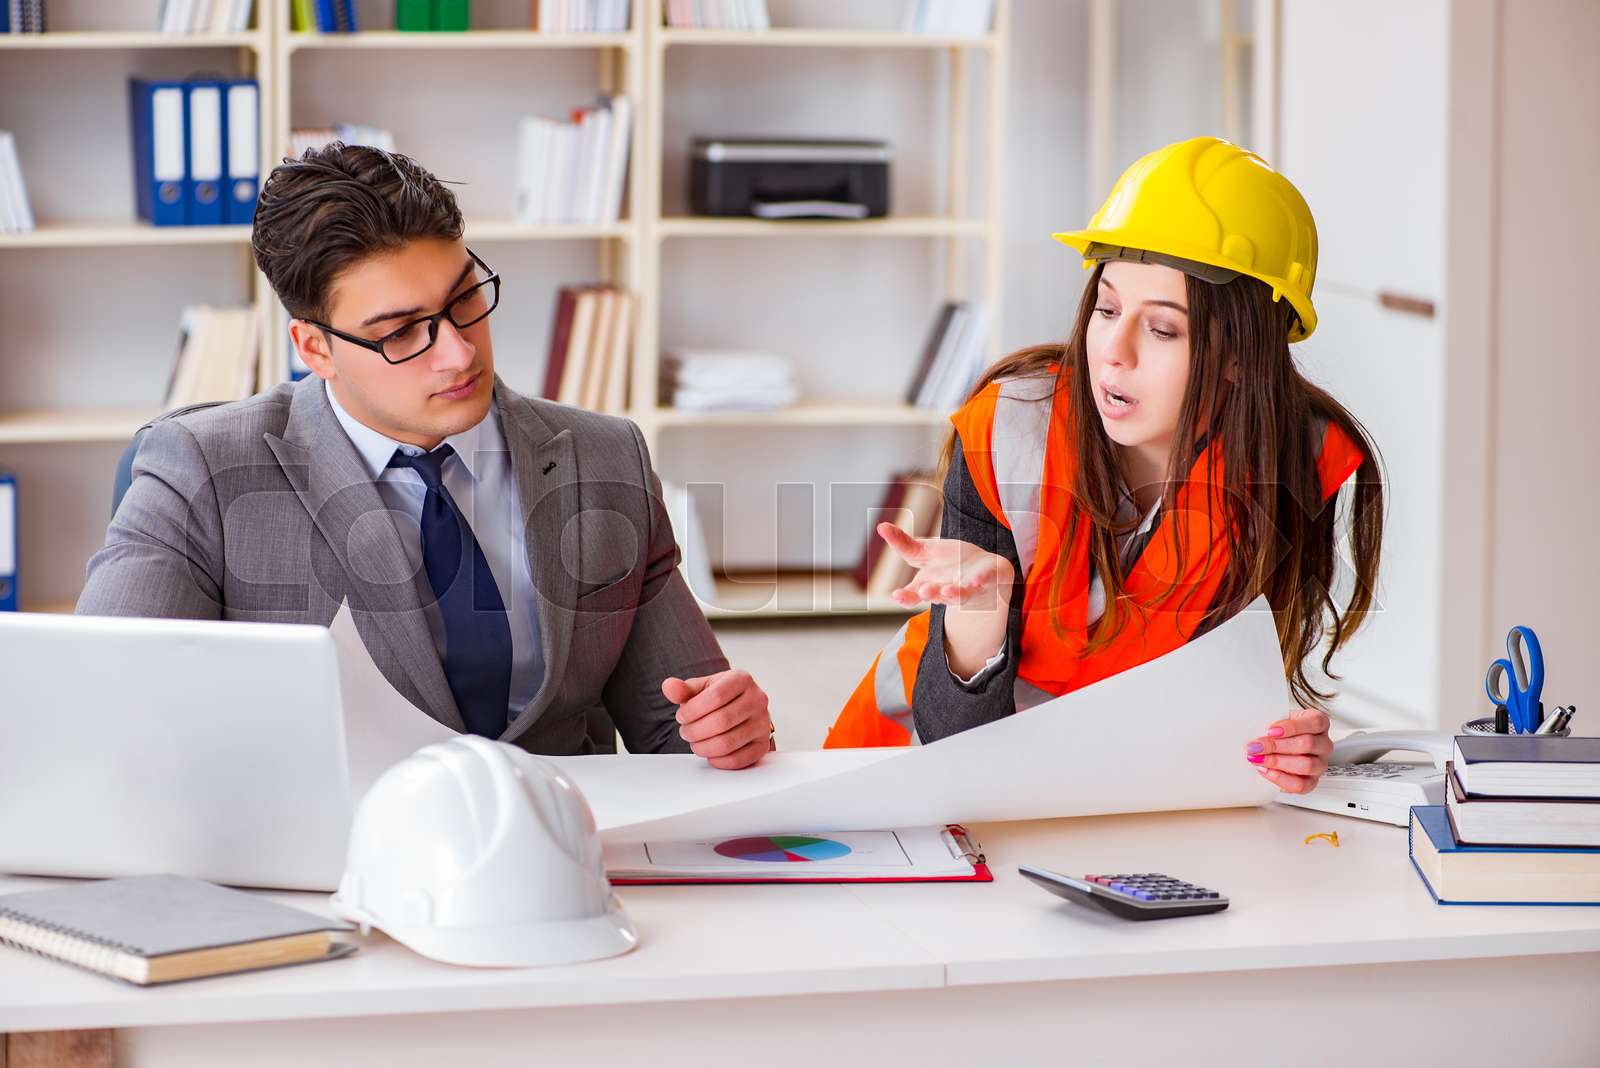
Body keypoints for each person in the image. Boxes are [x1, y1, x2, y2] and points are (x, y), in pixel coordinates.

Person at [78, 143, 773, 769]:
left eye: (465, 298)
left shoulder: (605, 456)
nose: (458, 353)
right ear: (316, 349)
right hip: (332, 851)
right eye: (401, 332)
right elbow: (101, 719)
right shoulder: (201, 470)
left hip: (566, 843)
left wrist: (728, 729)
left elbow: (679, 732)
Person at [825, 136, 1383, 796]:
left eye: (1163, 328)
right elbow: (954, 744)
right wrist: (979, 615)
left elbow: (1220, 700)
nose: (1114, 351)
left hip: (1098, 789)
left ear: (1242, 355)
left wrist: (1282, 748)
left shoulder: (1291, 461)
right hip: (902, 769)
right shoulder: (1010, 434)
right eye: (1108, 308)